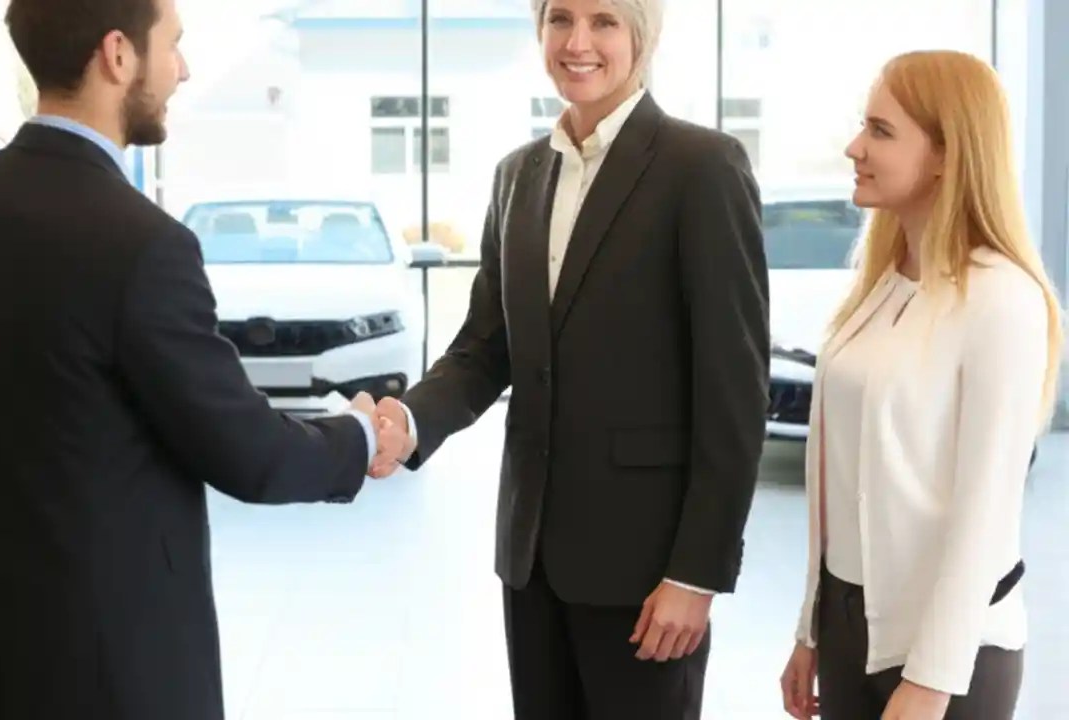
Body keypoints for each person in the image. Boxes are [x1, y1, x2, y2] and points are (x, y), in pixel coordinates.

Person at [0, 0, 408, 718]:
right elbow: (246, 451)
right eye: (174, 46)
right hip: (120, 682)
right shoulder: (142, 244)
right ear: (116, 54)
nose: (184, 69)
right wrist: (357, 434)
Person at [371, 0, 770, 716]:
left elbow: (735, 392)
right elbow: (484, 349)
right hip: (532, 559)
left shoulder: (700, 167)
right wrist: (407, 420)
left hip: (649, 572)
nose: (577, 42)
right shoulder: (517, 176)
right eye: (560, 19)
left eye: (604, 21)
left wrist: (697, 573)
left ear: (642, 36)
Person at [779, 50, 1064, 720]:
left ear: (946, 153)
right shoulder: (879, 286)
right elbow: (838, 485)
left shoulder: (1002, 299)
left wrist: (932, 679)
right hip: (851, 630)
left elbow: (987, 512)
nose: (855, 147)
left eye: (880, 131)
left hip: (952, 652)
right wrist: (810, 631)